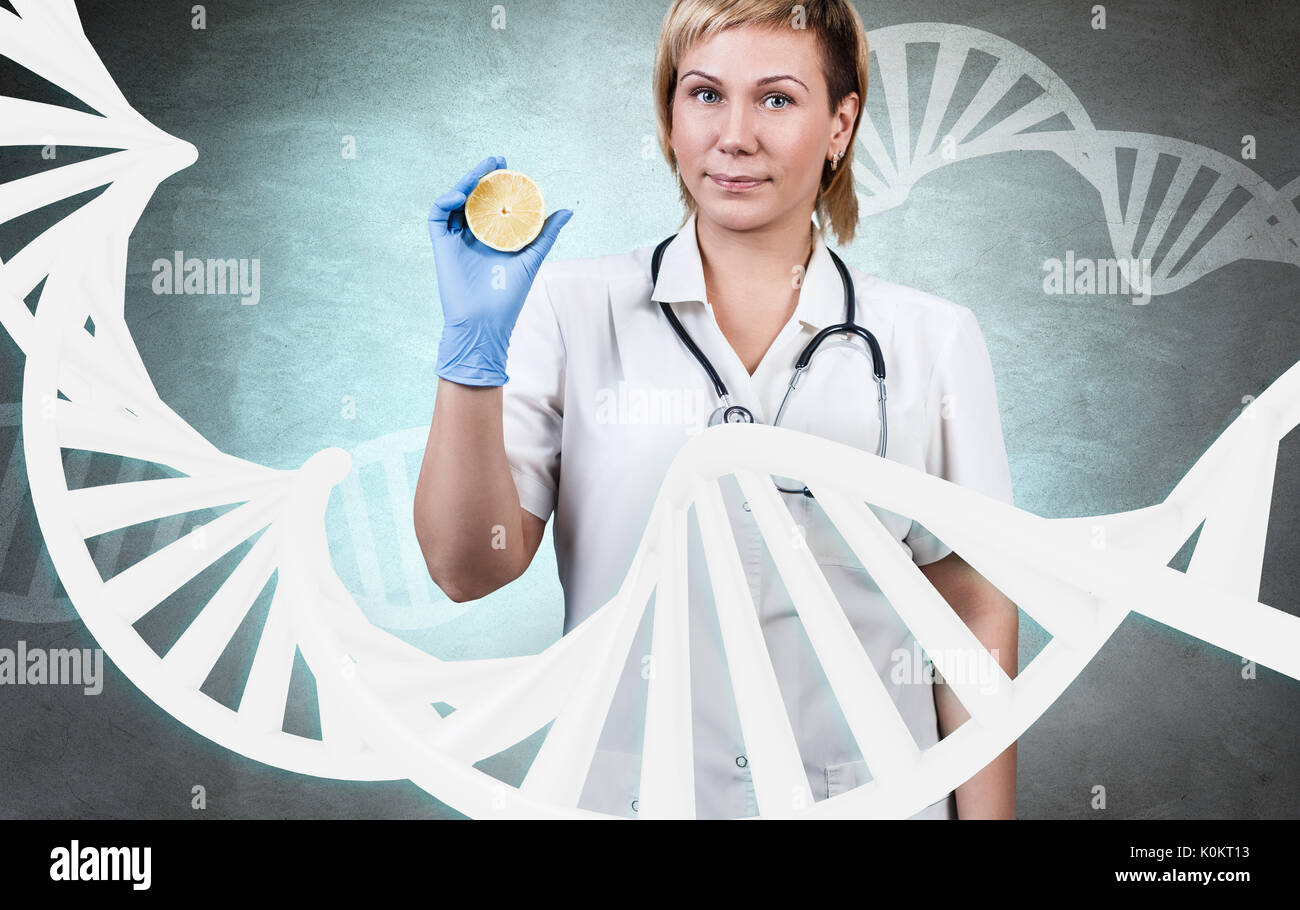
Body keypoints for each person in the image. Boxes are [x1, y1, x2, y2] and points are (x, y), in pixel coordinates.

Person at [415, 0, 1018, 819]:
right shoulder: (570, 309)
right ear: (669, 117)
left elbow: (971, 609)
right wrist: (468, 360)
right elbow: (467, 569)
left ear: (840, 123)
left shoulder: (931, 339)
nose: (735, 135)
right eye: (704, 94)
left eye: (777, 98)